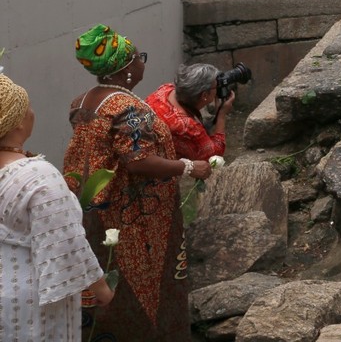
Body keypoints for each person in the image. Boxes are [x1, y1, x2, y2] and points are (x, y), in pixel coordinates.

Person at [63, 24, 212, 341]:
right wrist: (187, 167)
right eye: (139, 57)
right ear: (126, 68)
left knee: (106, 273)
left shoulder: (83, 101)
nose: (143, 62)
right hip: (138, 218)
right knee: (149, 283)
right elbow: (139, 161)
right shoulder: (128, 109)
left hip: (93, 207)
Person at [0, 73, 114, 341]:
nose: (32, 113)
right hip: (30, 300)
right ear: (17, 123)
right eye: (27, 107)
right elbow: (66, 240)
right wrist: (101, 289)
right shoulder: (38, 175)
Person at [146, 63, 234, 161]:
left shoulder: (165, 89)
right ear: (204, 95)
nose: (217, 88)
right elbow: (214, 154)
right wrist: (221, 115)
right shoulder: (186, 126)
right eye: (215, 87)